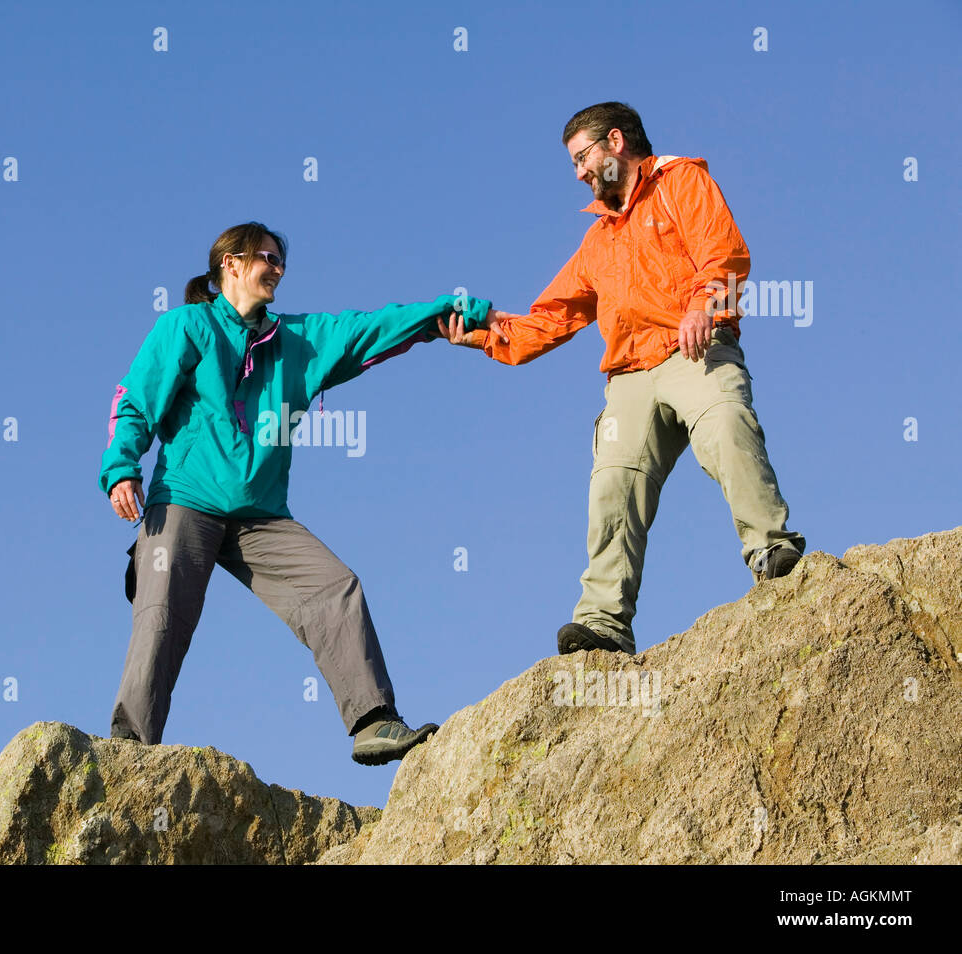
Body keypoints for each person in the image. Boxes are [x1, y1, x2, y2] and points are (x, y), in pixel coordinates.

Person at [100, 222, 504, 764]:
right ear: (232, 265)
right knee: (162, 608)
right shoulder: (186, 327)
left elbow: (371, 328)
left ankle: (372, 721)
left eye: (281, 259)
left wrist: (453, 314)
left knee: (335, 588)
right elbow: (136, 399)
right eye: (267, 257)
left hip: (259, 515)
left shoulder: (298, 341)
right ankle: (129, 747)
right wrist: (122, 466)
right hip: (185, 499)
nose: (278, 268)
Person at [441, 102, 805, 656]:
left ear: (615, 142)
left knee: (727, 425)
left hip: (695, 350)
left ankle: (771, 550)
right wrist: (489, 332)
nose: (579, 173)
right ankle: (605, 623)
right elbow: (550, 318)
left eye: (582, 157)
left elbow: (726, 255)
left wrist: (704, 307)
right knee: (612, 485)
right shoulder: (598, 241)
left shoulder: (681, 181)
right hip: (630, 377)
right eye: (574, 164)